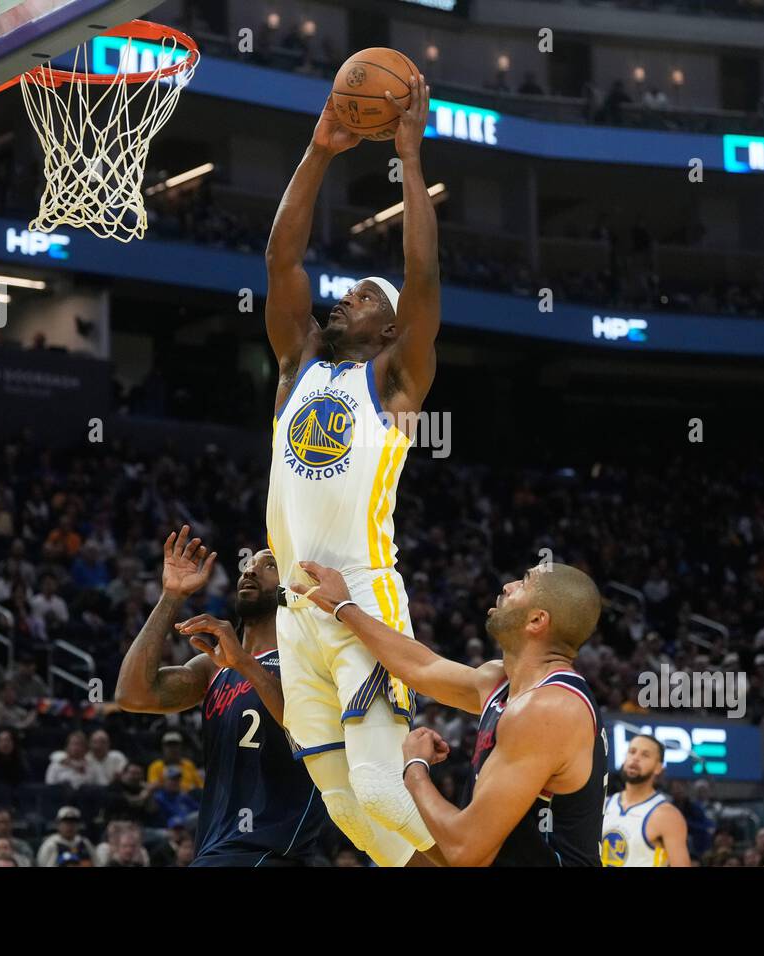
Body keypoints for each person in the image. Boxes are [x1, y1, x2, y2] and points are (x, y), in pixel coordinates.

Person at [263, 72, 441, 867]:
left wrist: (408, 156)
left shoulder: (396, 382)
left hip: (362, 594)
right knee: (346, 812)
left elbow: (424, 279)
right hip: (295, 611)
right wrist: (319, 149)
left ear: (391, 325)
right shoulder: (296, 366)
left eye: (365, 297)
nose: (345, 300)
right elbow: (281, 260)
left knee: (378, 792)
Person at [294, 559, 607, 866]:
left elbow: (465, 851)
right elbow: (420, 667)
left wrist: (414, 768)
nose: (508, 586)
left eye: (524, 583)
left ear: (537, 621)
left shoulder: (549, 710)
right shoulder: (499, 681)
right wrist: (343, 608)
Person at [116, 530, 326, 866]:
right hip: (216, 849)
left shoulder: (309, 659)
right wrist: (171, 596)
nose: (250, 570)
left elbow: (308, 732)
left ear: (292, 589)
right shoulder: (212, 667)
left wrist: (244, 663)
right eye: (248, 564)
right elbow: (132, 695)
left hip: (270, 849)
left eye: (268, 565)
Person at [602, 733, 690, 866]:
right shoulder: (603, 804)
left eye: (645, 755)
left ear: (658, 768)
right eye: (632, 752)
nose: (635, 758)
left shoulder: (668, 816)